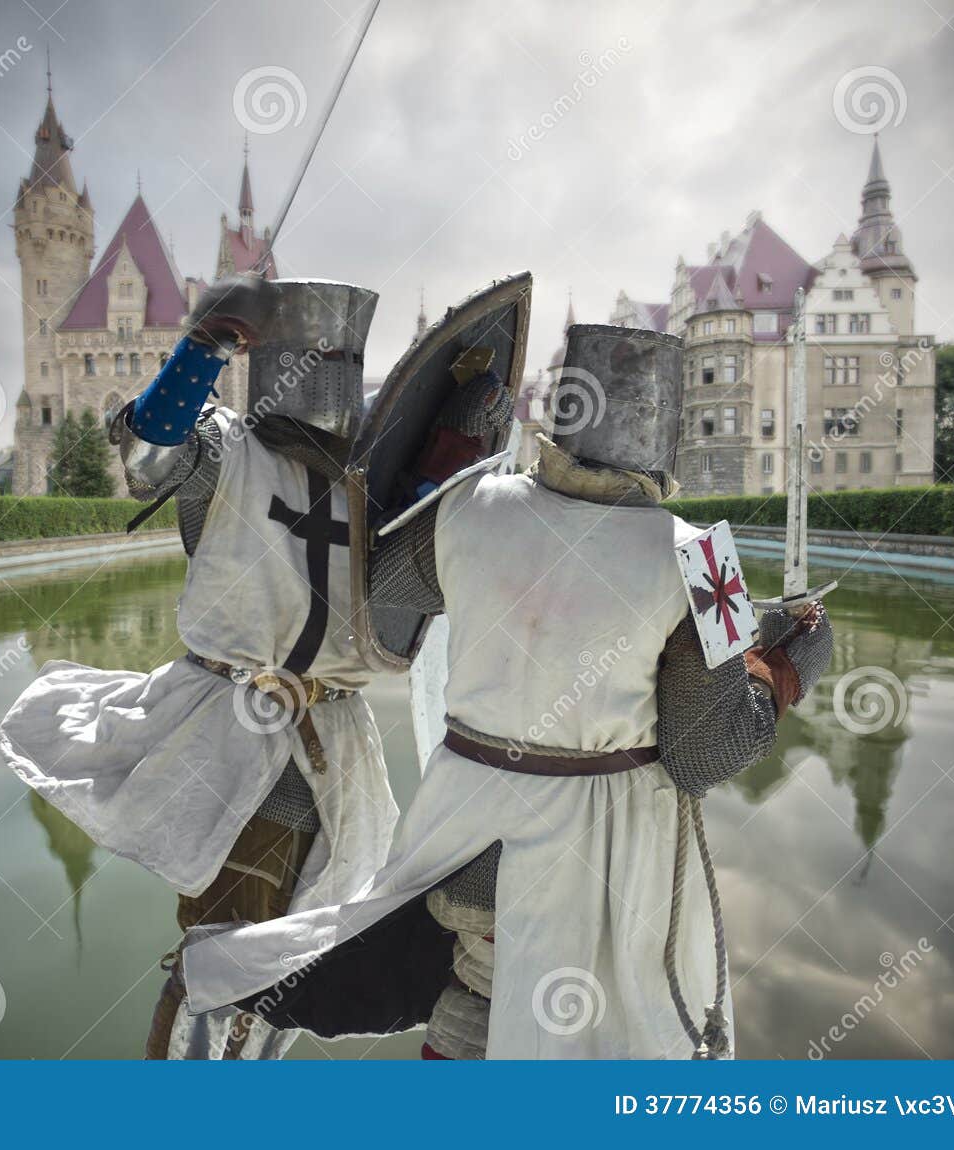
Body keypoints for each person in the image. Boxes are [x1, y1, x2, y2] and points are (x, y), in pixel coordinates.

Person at [176, 323, 834, 1059]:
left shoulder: (469, 507)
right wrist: (787, 667)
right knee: (575, 1038)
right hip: (593, 854)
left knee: (479, 992)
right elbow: (702, 753)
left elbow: (385, 598)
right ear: (668, 439)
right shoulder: (698, 552)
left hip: (462, 835)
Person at [1, 276, 423, 1058]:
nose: (325, 371)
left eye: (336, 357)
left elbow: (411, 600)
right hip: (235, 738)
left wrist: (455, 443)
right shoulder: (230, 447)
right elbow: (150, 448)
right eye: (316, 354)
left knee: (298, 949)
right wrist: (202, 347)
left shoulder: (376, 483)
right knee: (228, 948)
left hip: (336, 743)